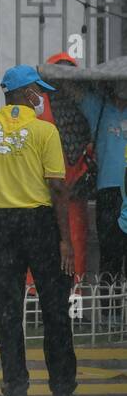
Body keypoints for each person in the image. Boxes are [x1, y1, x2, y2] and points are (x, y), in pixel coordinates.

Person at [0, 65, 77, 396]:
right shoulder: (45, 132)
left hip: (1, 228)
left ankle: (15, 391)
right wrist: (65, 240)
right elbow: (57, 187)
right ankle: (62, 391)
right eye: (38, 92)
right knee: (55, 309)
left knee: (8, 312)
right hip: (41, 225)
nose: (41, 98)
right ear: (26, 94)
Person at [39, 53, 92, 279]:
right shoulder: (41, 108)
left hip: (65, 193)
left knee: (73, 249)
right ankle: (44, 304)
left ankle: (71, 304)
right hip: (51, 192)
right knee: (64, 249)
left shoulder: (85, 106)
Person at [78, 80, 127, 304]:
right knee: (110, 253)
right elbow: (74, 92)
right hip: (108, 189)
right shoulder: (99, 107)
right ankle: (110, 311)